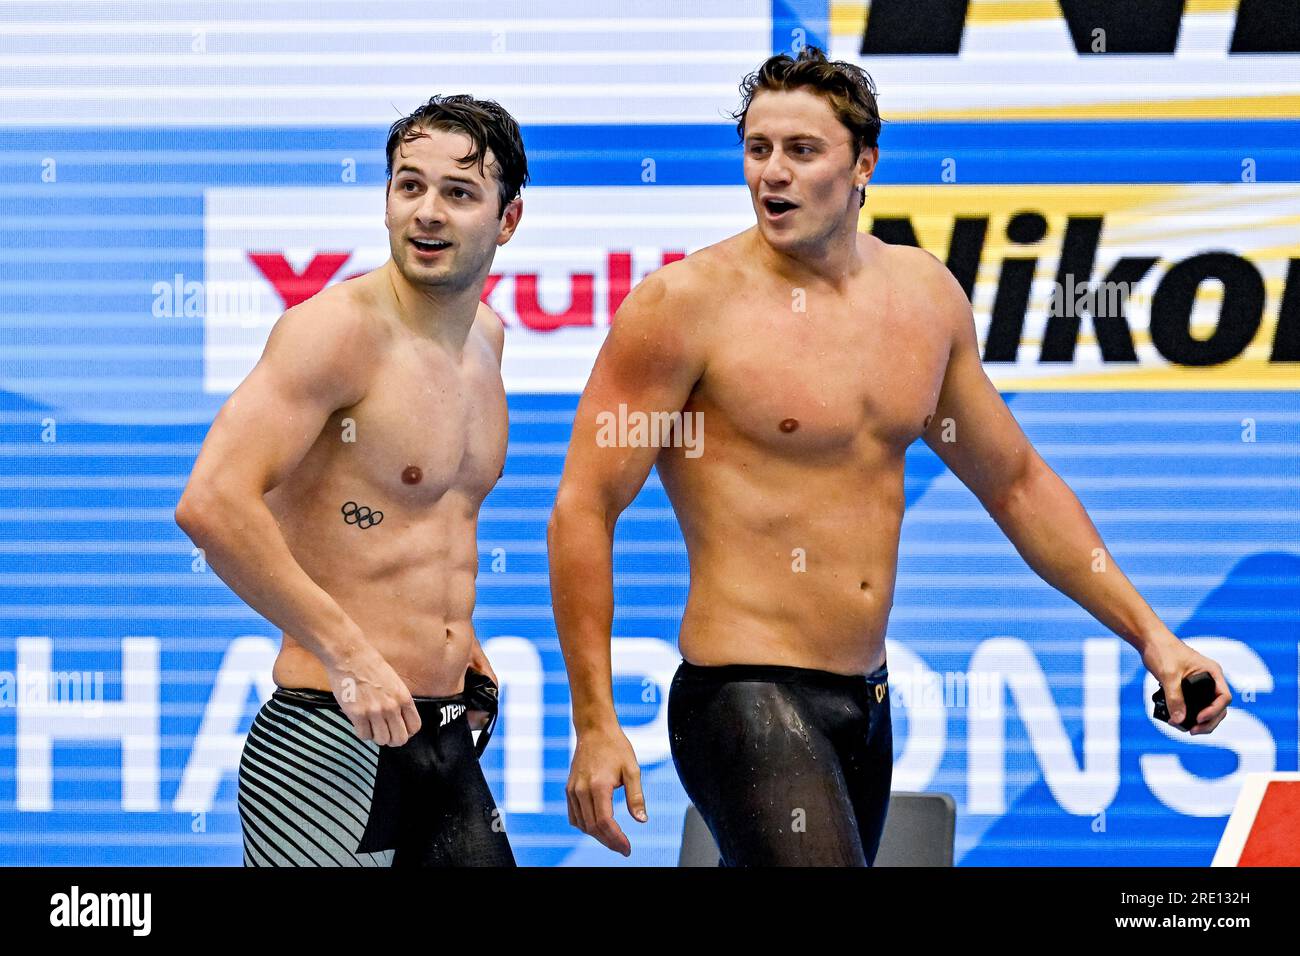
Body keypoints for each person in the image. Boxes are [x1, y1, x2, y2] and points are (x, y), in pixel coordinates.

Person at [547, 48, 1231, 866]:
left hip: (864, 704)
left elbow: (1014, 484)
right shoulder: (683, 307)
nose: (774, 174)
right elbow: (583, 506)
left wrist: (1153, 637)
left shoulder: (921, 299)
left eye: (803, 151)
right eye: (758, 149)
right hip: (742, 695)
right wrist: (595, 721)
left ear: (864, 163)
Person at [175, 94, 527, 866]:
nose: (427, 213)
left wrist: (455, 637)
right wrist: (348, 652)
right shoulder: (335, 332)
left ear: (508, 220)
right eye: (409, 186)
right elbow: (212, 501)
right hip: (325, 741)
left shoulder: (487, 342)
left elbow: (412, 517)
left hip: (440, 738)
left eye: (458, 194)